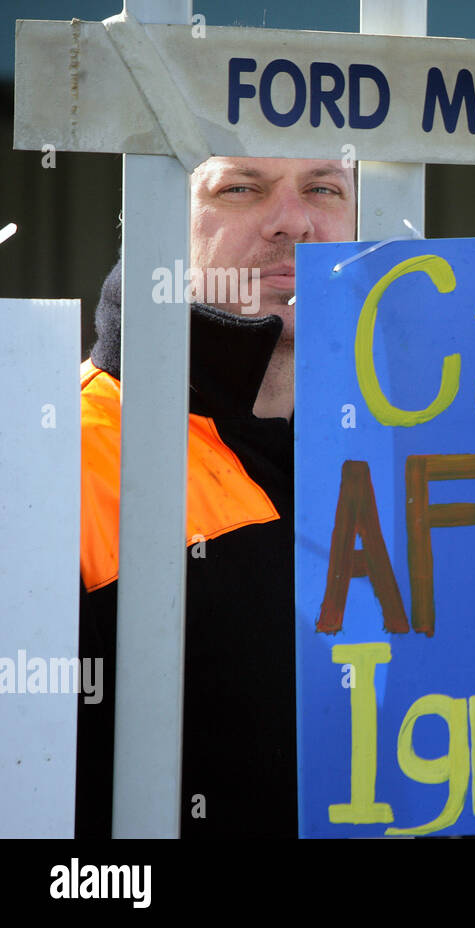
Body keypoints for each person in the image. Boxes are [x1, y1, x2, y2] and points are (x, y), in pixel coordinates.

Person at [76, 156, 357, 838]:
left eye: (323, 188)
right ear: (153, 218)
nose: (293, 221)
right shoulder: (64, 458)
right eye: (240, 188)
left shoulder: (436, 446)